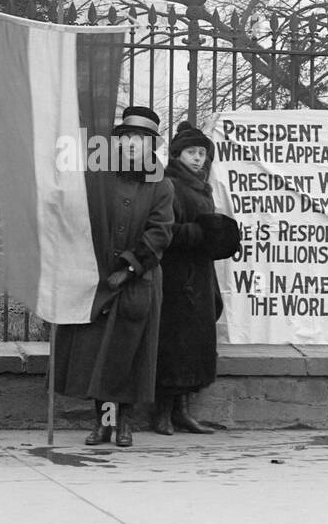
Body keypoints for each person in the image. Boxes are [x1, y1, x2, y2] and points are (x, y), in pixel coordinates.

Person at [51, 106, 174, 448]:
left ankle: (125, 423)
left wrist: (132, 266)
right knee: (97, 355)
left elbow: (161, 232)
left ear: (152, 147)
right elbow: (79, 214)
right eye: (128, 139)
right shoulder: (98, 179)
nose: (133, 145)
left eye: (142, 140)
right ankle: (102, 423)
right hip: (99, 281)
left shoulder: (161, 186)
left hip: (138, 280)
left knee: (128, 355)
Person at [152, 122, 222, 435]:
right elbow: (163, 229)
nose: (198, 158)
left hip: (199, 274)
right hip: (176, 276)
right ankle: (162, 413)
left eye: (202, 154)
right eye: (192, 152)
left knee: (193, 346)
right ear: (177, 155)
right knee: (173, 344)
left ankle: (182, 411)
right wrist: (201, 232)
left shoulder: (202, 186)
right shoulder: (168, 184)